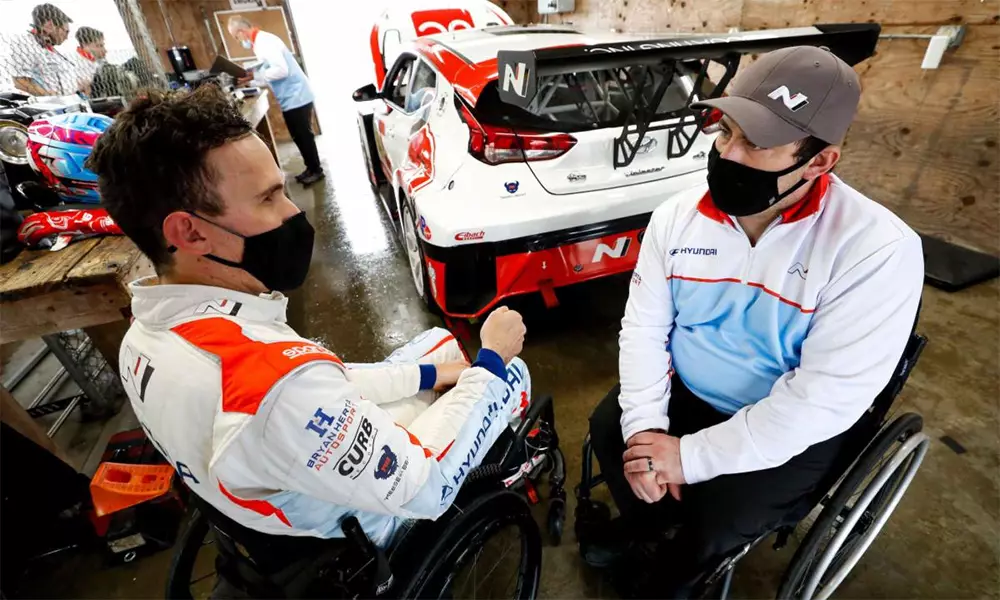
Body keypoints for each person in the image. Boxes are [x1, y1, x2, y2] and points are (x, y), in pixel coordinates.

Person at [86, 85, 531, 557]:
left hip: (269, 498)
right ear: (190, 231)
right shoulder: (274, 382)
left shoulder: (142, 337)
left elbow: (313, 387)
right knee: (509, 375)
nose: (294, 211)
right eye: (269, 197)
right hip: (360, 520)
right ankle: (512, 465)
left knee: (439, 348)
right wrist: (491, 362)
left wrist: (437, 375)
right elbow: (423, 489)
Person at [582, 46, 924, 595]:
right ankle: (648, 527)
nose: (729, 154)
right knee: (611, 430)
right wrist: (647, 428)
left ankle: (679, 571)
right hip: (689, 391)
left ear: (820, 161)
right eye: (726, 131)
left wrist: (689, 457)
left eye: (758, 142)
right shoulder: (677, 217)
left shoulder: (876, 250)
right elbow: (644, 328)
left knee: (716, 515)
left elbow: (822, 400)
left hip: (786, 425)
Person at [227, 16, 324, 186]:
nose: (238, 41)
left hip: (297, 95)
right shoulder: (260, 43)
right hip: (291, 96)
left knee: (303, 136)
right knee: (298, 136)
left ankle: (316, 171)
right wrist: (252, 77)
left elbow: (281, 70)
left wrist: (255, 75)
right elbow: (269, 71)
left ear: (241, 32)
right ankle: (310, 167)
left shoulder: (265, 42)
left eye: (236, 37)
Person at [9, 3, 78, 96]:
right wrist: (52, 97)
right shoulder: (26, 43)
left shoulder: (51, 50)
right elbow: (20, 81)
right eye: (66, 31)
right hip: (47, 107)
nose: (67, 37)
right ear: (49, 26)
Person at [71, 26, 106, 96]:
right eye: (99, 46)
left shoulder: (96, 62)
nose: (105, 50)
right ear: (85, 45)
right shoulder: (75, 63)